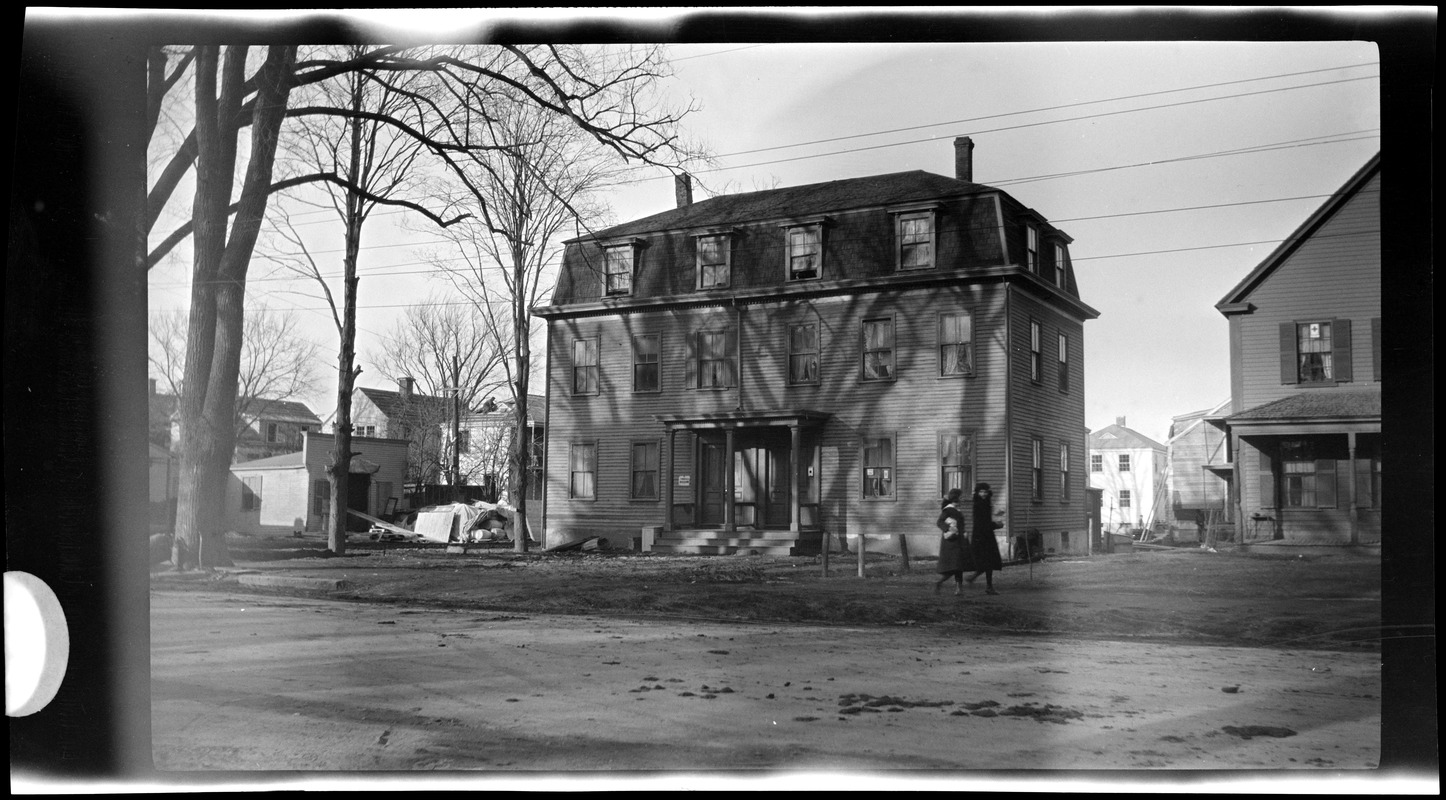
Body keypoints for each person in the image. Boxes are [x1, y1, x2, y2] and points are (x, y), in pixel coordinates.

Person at [965, 482, 1004, 595]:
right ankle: (985, 584)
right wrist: (996, 525)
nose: (983, 494)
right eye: (981, 492)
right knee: (986, 561)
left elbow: (986, 521)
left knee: (988, 562)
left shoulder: (986, 503)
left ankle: (984, 583)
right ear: (977, 493)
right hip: (981, 537)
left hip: (987, 536)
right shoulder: (978, 505)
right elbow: (981, 523)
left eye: (985, 492)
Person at [933, 488, 970, 595]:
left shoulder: (957, 509)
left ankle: (958, 589)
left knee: (958, 566)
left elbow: (960, 525)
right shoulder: (948, 510)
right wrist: (949, 528)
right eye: (961, 497)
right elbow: (940, 522)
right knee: (954, 567)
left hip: (959, 541)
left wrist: (963, 532)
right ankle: (940, 583)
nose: (963, 499)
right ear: (956, 498)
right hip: (951, 542)